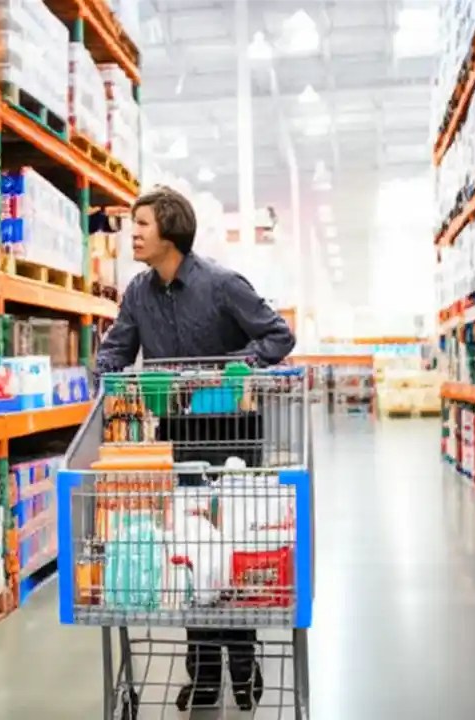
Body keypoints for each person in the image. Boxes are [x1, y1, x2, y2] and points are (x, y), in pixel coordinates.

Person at [94, 186, 296, 711]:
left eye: (141, 224)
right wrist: (115, 377)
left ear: (170, 229)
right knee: (191, 551)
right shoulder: (138, 293)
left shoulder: (223, 284)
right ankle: (203, 673)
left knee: (231, 551)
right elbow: (115, 352)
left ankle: (245, 667)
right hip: (179, 437)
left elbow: (278, 336)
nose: (131, 234)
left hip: (233, 435)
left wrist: (238, 364)